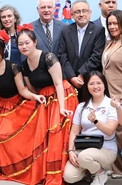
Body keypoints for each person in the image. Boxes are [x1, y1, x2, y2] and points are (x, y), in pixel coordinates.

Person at [20, 26, 77, 185]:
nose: (24, 46)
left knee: (57, 134)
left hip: (62, 96)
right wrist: (37, 98)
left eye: (27, 43)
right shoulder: (24, 65)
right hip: (45, 99)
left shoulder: (49, 57)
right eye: (20, 44)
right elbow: (31, 88)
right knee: (42, 137)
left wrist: (61, 107)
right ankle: (43, 173)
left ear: (35, 42)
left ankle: (60, 172)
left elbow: (59, 84)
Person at [0, 35, 45, 181]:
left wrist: (36, 97)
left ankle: (26, 167)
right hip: (0, 106)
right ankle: (8, 170)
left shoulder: (13, 66)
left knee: (26, 131)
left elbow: (22, 90)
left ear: (3, 51)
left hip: (18, 104)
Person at [62, 71, 120, 185]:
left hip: (106, 149)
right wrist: (71, 150)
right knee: (69, 177)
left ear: (104, 85)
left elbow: (110, 130)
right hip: (84, 148)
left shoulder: (111, 104)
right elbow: (74, 131)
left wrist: (95, 121)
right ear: (87, 86)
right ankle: (90, 172)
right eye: (91, 84)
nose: (95, 86)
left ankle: (100, 173)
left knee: (84, 157)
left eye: (99, 83)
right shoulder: (81, 106)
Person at [56, 0, 106, 101]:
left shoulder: (98, 30)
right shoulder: (66, 30)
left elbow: (96, 56)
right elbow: (62, 55)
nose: (81, 14)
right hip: (70, 82)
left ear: (90, 13)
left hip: (90, 81)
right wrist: (72, 77)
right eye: (77, 12)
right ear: (72, 15)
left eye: (84, 11)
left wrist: (82, 75)